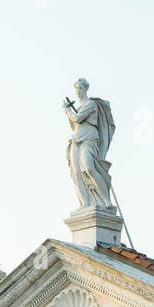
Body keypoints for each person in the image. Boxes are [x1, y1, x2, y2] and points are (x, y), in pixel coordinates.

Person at [63, 78, 115, 210]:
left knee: (89, 168)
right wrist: (71, 113)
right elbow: (74, 125)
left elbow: (77, 118)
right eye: (76, 89)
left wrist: (67, 110)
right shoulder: (79, 107)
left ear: (86, 88)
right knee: (77, 173)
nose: (78, 91)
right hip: (76, 140)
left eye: (80, 88)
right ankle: (85, 203)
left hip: (89, 138)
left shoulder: (91, 104)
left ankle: (106, 200)